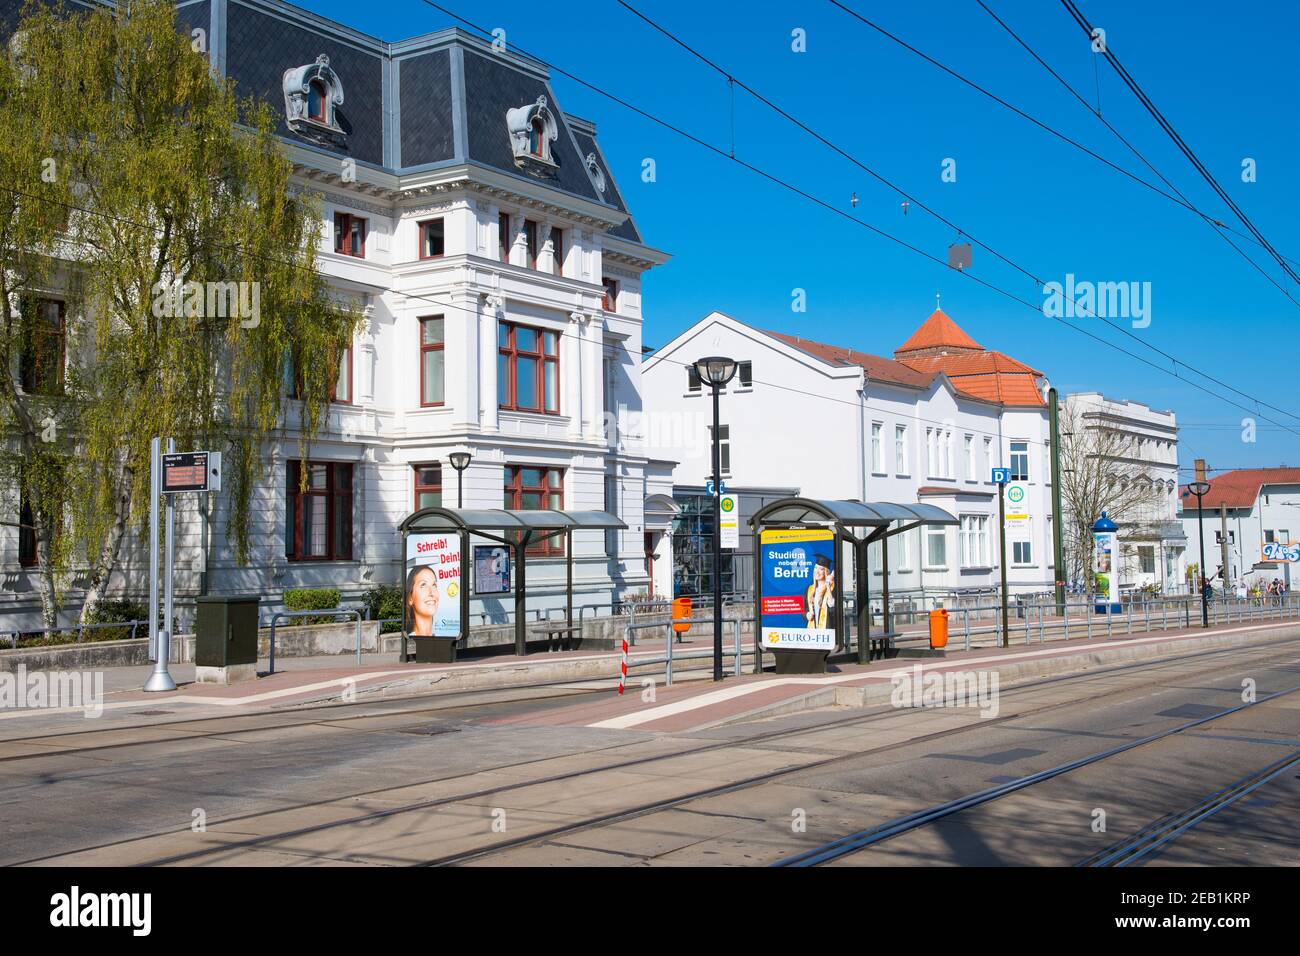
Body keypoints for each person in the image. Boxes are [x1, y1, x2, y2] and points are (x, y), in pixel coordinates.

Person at [405, 565, 440, 636]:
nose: (431, 592)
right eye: (423, 585)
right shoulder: (409, 641)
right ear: (410, 598)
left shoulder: (442, 637)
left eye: (434, 585)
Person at [805, 554, 835, 629]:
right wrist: (807, 615)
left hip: (827, 630)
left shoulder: (833, 588)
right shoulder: (810, 589)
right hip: (813, 632)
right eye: (815, 568)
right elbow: (804, 609)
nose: (817, 572)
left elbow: (833, 612)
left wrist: (828, 586)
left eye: (821, 569)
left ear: (826, 572)